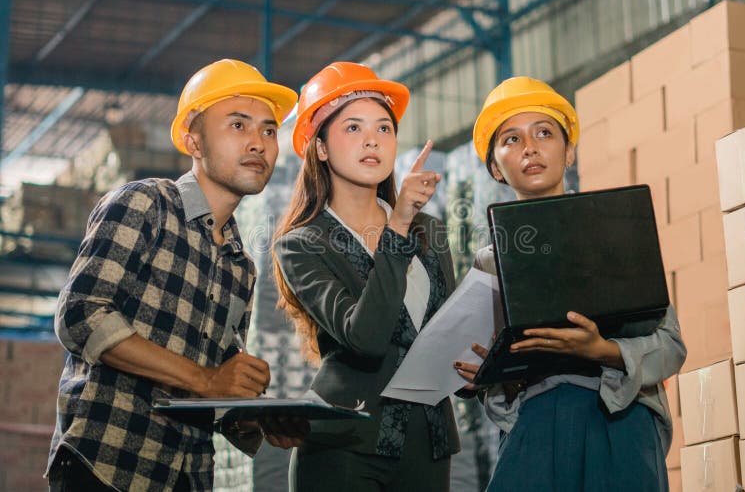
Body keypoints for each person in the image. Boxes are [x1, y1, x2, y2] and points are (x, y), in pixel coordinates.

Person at [46, 59, 305, 492]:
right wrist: (205, 380)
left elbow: (207, 389)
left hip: (188, 475)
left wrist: (253, 414)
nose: (259, 143)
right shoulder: (146, 205)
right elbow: (80, 315)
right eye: (238, 126)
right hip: (108, 466)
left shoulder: (242, 265)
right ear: (193, 140)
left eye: (269, 130)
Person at [454, 77, 686, 491]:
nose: (530, 147)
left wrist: (604, 351)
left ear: (569, 151)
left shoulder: (618, 233)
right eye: (511, 139)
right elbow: (498, 373)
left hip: (621, 417)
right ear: (495, 167)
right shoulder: (490, 265)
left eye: (544, 133)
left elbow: (670, 346)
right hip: (536, 423)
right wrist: (490, 374)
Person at [272, 62, 460, 492]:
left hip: (427, 443)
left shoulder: (428, 230)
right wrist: (395, 231)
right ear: (319, 148)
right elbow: (366, 336)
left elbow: (447, 330)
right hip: (345, 443)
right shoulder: (303, 243)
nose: (372, 139)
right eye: (352, 128)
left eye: (383, 128)